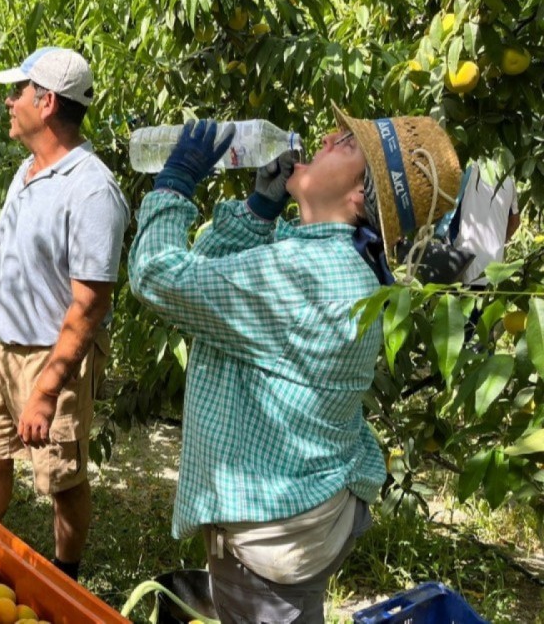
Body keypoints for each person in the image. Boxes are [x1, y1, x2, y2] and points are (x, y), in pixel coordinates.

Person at [127, 107, 460, 622]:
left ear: (358, 197)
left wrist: (172, 188)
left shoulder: (309, 275)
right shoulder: (329, 258)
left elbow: (160, 277)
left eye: (346, 146)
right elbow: (211, 286)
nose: (325, 138)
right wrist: (260, 211)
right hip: (303, 511)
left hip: (272, 534)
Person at [0, 47, 128, 580]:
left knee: (61, 478)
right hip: (8, 348)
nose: (10, 101)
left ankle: (66, 578)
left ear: (47, 101)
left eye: (19, 92)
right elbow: (6, 263)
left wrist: (48, 389)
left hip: (51, 357)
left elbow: (89, 305)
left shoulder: (91, 190)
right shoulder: (26, 172)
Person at [452, 161, 519, 287]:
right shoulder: (508, 180)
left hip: (464, 264)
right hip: (494, 269)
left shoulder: (467, 174)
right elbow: (515, 221)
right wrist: (500, 241)